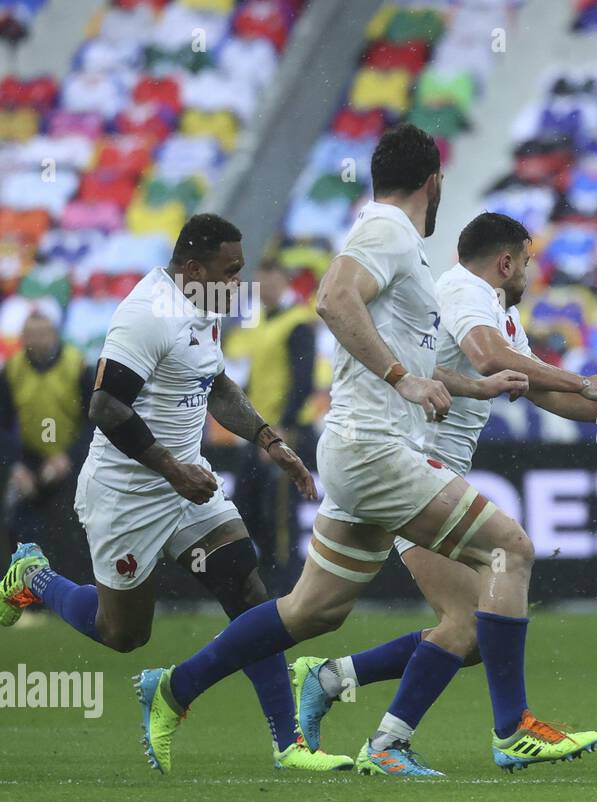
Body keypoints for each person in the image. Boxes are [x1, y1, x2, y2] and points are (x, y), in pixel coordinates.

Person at [130, 124, 597, 779]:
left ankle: (176, 687)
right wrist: (400, 378)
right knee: (509, 550)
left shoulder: (397, 242)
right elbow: (333, 298)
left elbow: (403, 350)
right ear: (433, 182)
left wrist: (468, 382)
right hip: (377, 448)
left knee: (311, 610)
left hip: (359, 451)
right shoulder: (386, 230)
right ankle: (511, 727)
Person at [288, 212, 597, 766]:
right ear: (506, 260)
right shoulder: (463, 291)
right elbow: (489, 359)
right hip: (407, 470)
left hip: (418, 473)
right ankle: (490, 731)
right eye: (527, 262)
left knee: (459, 628)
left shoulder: (498, 316)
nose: (530, 274)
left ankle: (335, 683)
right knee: (502, 565)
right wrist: (584, 380)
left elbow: (546, 394)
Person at [0, 214, 351, 772]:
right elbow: (106, 407)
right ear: (193, 268)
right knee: (123, 634)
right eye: (229, 271)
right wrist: (171, 469)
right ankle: (34, 577)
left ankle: (291, 745)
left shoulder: (202, 304)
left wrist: (267, 439)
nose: (237, 285)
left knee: (245, 584)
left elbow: (213, 383)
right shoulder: (144, 316)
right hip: (127, 491)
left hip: (185, 482)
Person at [227, 258, 319, 592]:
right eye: (259, 282)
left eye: (270, 281)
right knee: (246, 507)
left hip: (283, 434)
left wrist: (283, 428)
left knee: (281, 515)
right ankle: (269, 576)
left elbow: (303, 380)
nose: (263, 288)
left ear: (285, 281)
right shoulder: (261, 324)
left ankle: (288, 587)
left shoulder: (298, 323)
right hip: (259, 432)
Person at [0, 311, 95, 592]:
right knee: (19, 523)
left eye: (44, 334)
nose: (38, 341)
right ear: (23, 338)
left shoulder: (76, 365)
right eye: (32, 335)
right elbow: (3, 423)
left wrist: (68, 457)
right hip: (31, 459)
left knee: (81, 528)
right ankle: (29, 596)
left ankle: (87, 592)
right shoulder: (12, 370)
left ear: (54, 335)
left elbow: (93, 420)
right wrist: (17, 467)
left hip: (74, 455)